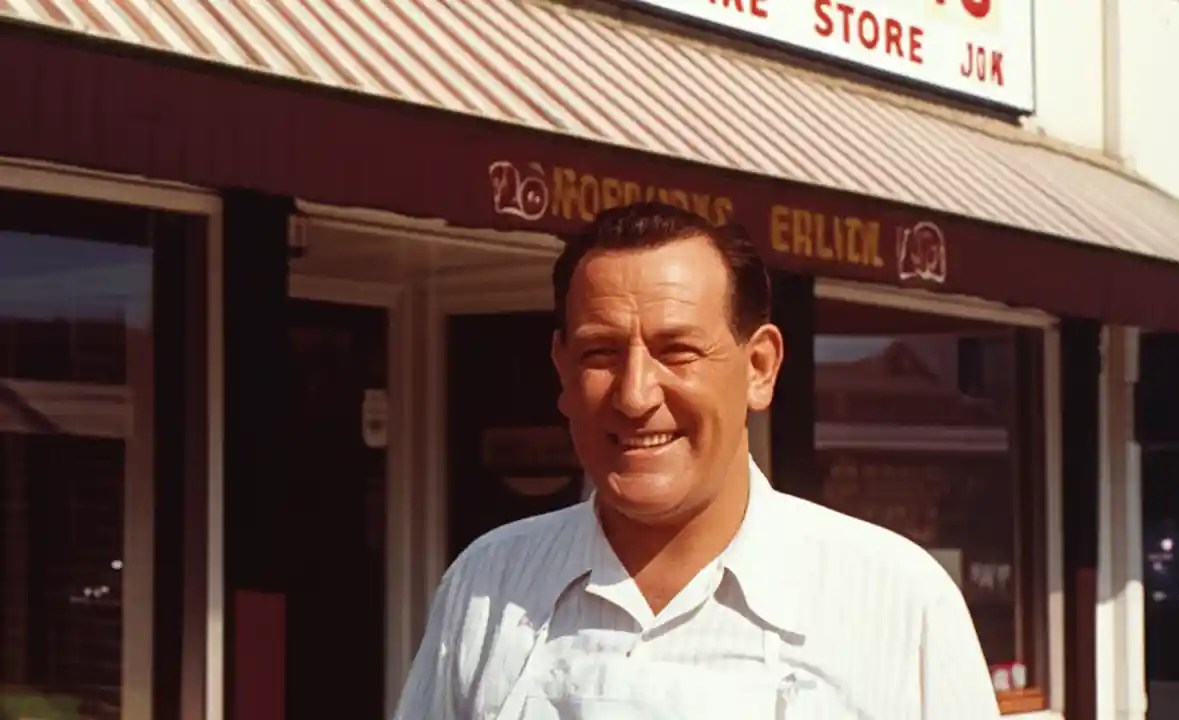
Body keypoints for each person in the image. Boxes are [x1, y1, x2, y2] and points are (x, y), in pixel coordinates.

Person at [393, 202, 1000, 719]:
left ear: (759, 368)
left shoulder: (895, 598)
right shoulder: (489, 584)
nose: (635, 394)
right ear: (563, 371)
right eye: (601, 353)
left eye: (677, 351)